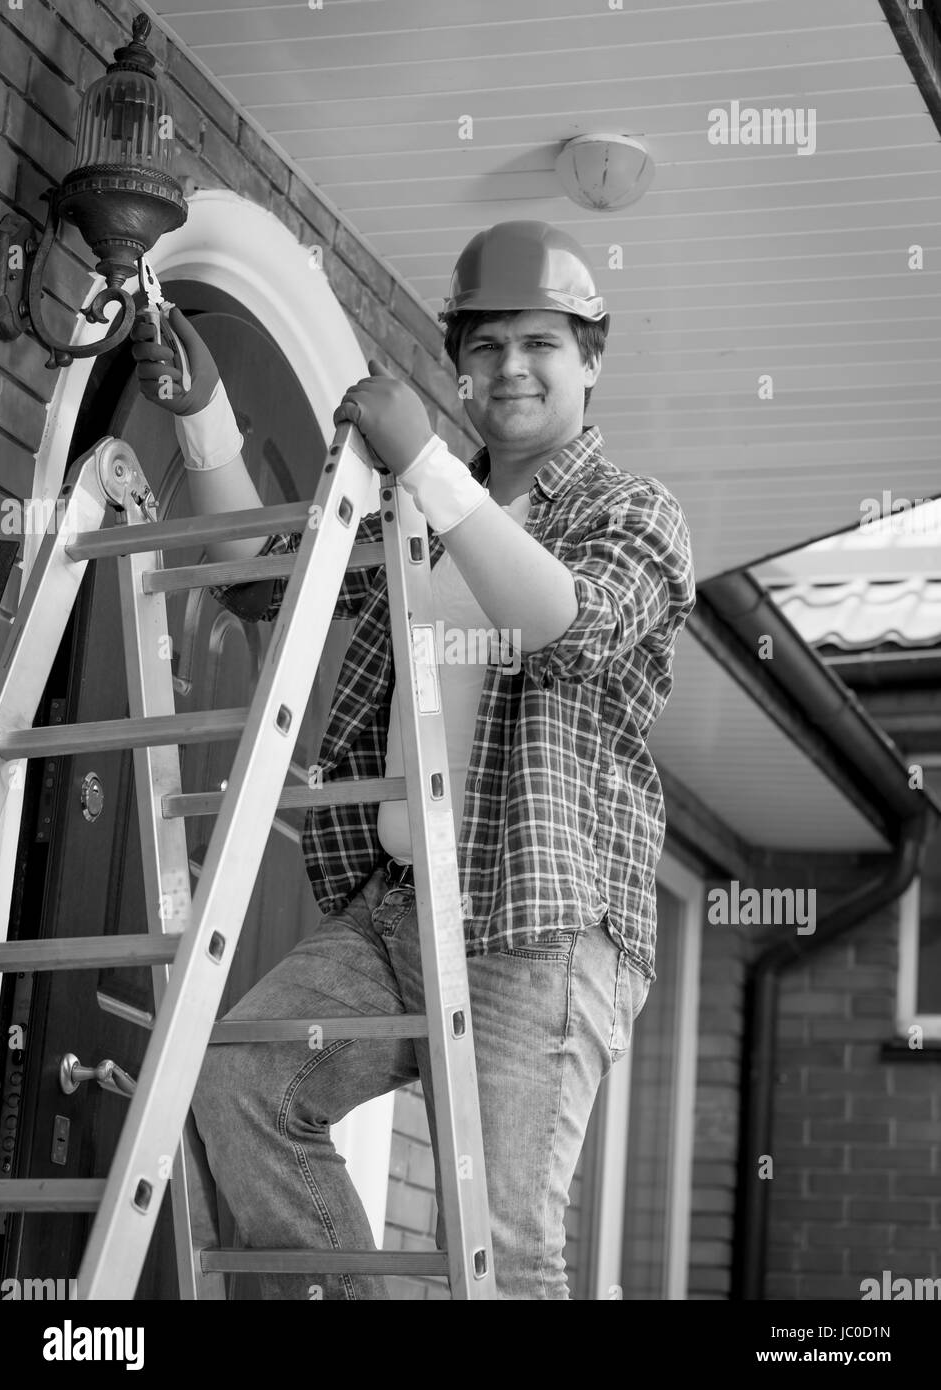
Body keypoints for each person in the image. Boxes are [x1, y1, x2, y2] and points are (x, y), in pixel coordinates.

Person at [129, 220, 695, 1300]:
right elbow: (259, 577)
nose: (511, 367)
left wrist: (427, 462)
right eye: (484, 346)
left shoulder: (629, 511)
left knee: (505, 1245)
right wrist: (203, 418)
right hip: (400, 907)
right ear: (461, 364)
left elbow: (562, 624)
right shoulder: (413, 514)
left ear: (592, 358)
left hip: (540, 920)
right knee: (239, 1079)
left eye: (541, 342)